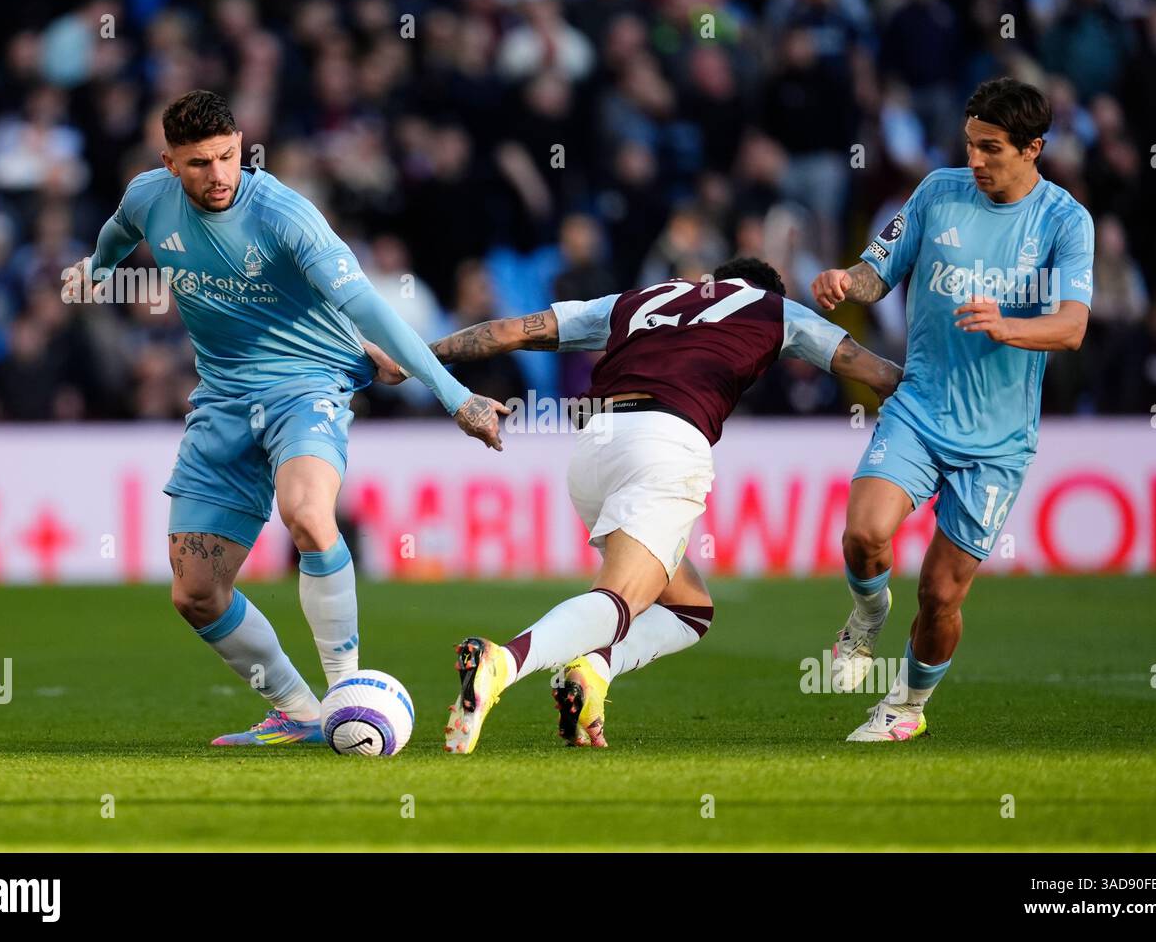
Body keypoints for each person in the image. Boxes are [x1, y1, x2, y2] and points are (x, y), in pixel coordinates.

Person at [67, 90, 504, 745]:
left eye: (227, 157)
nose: (217, 176)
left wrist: (455, 397)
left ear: (241, 145)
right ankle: (301, 713)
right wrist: (96, 269)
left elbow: (374, 312)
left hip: (308, 388)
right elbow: (118, 230)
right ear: (168, 162)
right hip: (221, 401)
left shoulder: (283, 215)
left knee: (307, 513)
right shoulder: (147, 197)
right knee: (196, 593)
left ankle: (346, 694)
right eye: (198, 164)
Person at [375, 256, 902, 752]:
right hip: (666, 443)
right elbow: (877, 372)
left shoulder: (638, 299)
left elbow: (509, 331)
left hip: (593, 448)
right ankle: (502, 662)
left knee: (689, 610)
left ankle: (594, 671)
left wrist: (417, 359)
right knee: (620, 599)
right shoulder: (776, 310)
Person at [810, 77, 1093, 742]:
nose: (975, 160)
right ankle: (864, 618)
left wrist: (1008, 326)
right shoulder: (938, 192)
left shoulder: (1063, 220)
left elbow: (1074, 326)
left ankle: (906, 707)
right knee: (864, 533)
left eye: (991, 149)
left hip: (998, 440)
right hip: (919, 407)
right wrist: (847, 281)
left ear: (1033, 149)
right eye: (969, 144)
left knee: (941, 594)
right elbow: (879, 271)